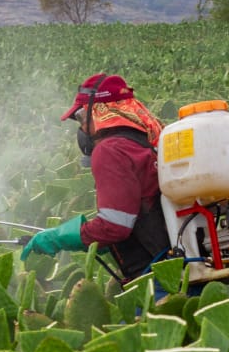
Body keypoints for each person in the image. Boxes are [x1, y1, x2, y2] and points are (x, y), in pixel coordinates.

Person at [21, 73, 171, 282]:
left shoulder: (111, 150)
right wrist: (91, 238)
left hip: (156, 271)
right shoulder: (144, 141)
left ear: (100, 111)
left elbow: (114, 226)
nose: (82, 127)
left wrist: (60, 238)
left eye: (81, 117)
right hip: (178, 260)